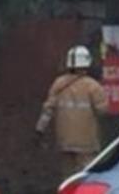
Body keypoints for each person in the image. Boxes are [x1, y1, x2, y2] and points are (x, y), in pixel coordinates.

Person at [36, 45, 109, 179]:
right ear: (87, 63)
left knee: (68, 179)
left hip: (64, 142)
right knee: (86, 178)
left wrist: (40, 129)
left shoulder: (58, 84)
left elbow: (47, 110)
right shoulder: (93, 86)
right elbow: (103, 110)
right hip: (87, 143)